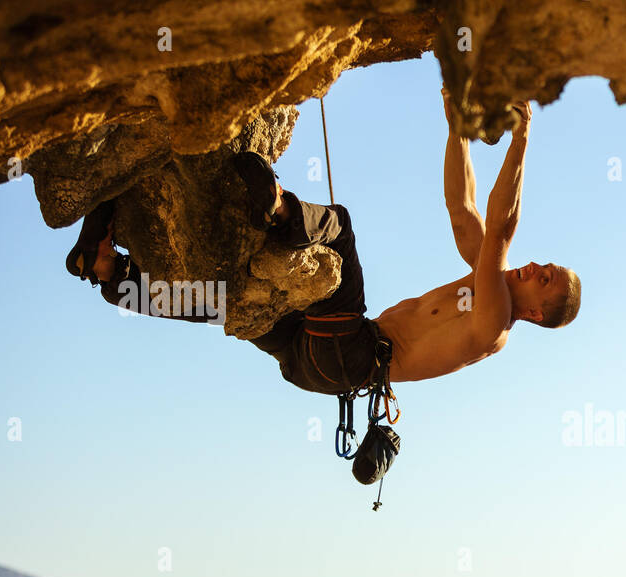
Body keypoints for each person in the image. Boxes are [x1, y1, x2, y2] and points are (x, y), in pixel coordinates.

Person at [65, 94, 581, 396]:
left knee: (340, 231)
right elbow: (461, 207)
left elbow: (498, 230)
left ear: (536, 314)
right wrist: (457, 130)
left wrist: (522, 138)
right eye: (546, 265)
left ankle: (281, 210)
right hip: (312, 362)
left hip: (352, 355)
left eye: (544, 278)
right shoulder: (484, 279)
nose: (534, 267)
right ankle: (116, 278)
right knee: (233, 299)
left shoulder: (493, 324)